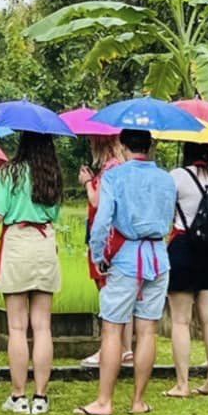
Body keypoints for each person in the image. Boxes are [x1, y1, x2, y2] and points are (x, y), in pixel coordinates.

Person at [78, 128, 175, 415]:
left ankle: (105, 401)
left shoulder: (115, 177)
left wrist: (98, 257)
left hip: (127, 257)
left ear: (122, 144)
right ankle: (138, 400)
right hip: (158, 256)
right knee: (147, 330)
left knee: (113, 328)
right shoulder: (166, 179)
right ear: (151, 146)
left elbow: (103, 221)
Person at [0, 133, 64, 415]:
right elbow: (54, 214)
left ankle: (19, 396)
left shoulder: (10, 172)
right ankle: (41, 397)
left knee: (17, 328)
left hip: (17, 242)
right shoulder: (52, 174)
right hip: (44, 242)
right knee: (43, 326)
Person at [164, 145, 208, 398]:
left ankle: (182, 383)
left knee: (180, 320)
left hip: (183, 247)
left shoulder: (177, 177)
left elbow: (165, 215)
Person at [79, 133, 131, 368]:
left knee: (108, 293)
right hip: (118, 237)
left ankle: (109, 348)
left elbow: (97, 202)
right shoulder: (122, 167)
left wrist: (88, 183)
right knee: (121, 294)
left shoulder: (110, 169)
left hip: (106, 238)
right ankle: (126, 348)